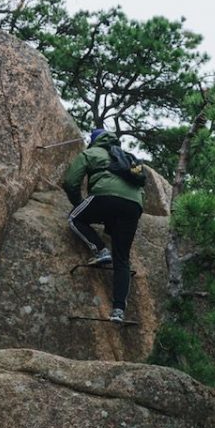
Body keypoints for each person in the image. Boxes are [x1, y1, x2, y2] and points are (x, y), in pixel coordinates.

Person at [63, 128, 144, 322]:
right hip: (133, 205)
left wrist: (79, 203)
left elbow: (71, 181)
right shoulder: (128, 157)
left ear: (94, 141)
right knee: (122, 259)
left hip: (105, 197)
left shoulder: (91, 152)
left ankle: (100, 250)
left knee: (74, 218)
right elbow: (141, 187)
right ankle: (118, 311)